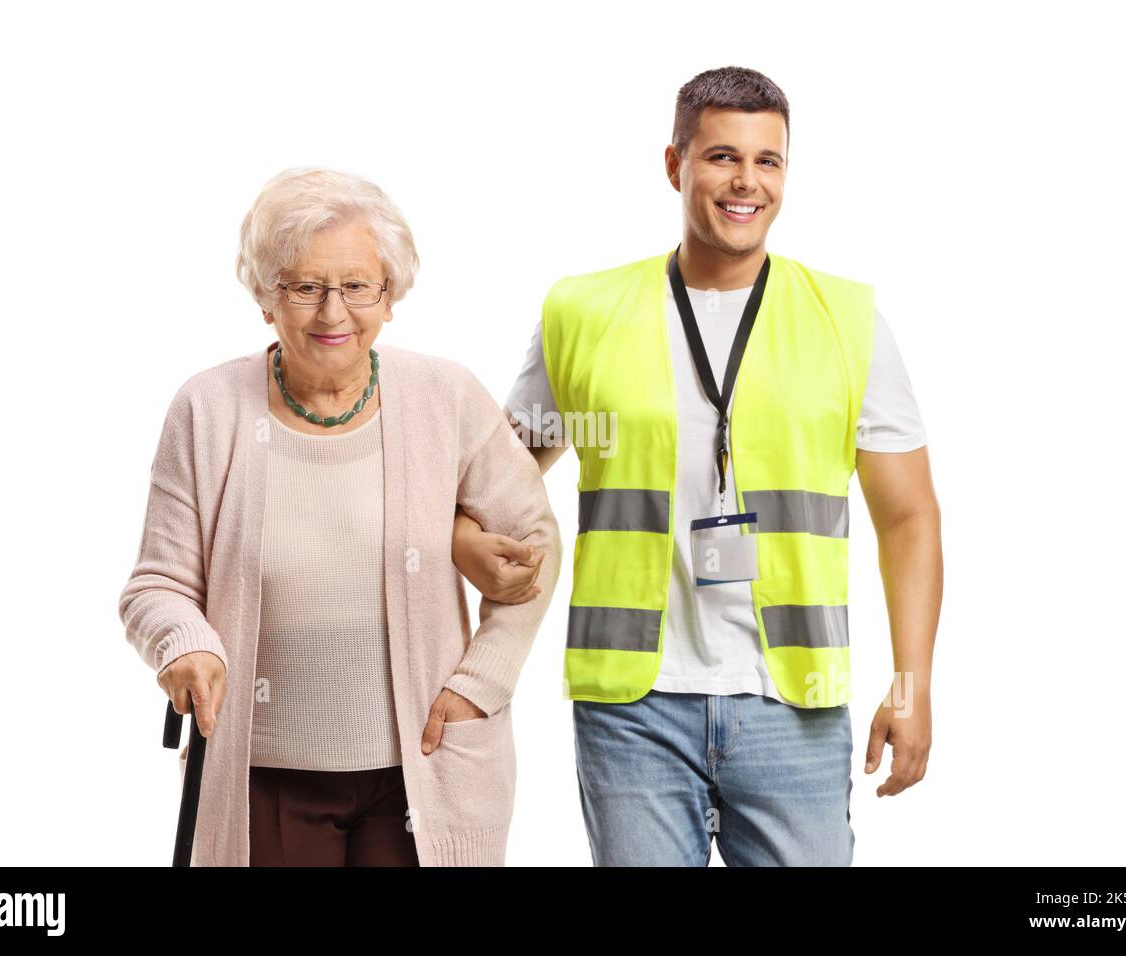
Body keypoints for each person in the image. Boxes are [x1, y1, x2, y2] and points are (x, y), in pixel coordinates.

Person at [452, 66, 942, 866]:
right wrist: (463, 539)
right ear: (676, 164)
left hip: (794, 704)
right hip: (632, 708)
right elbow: (494, 475)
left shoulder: (849, 320)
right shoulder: (583, 313)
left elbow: (910, 516)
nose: (746, 181)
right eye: (721, 157)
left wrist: (912, 684)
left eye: (768, 160)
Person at [118, 166, 560, 866]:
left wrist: (482, 684)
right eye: (304, 287)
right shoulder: (207, 409)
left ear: (390, 295)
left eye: (357, 286)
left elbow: (533, 536)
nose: (333, 313)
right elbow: (156, 586)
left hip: (422, 772)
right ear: (267, 296)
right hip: (263, 778)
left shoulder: (444, 396)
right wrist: (186, 642)